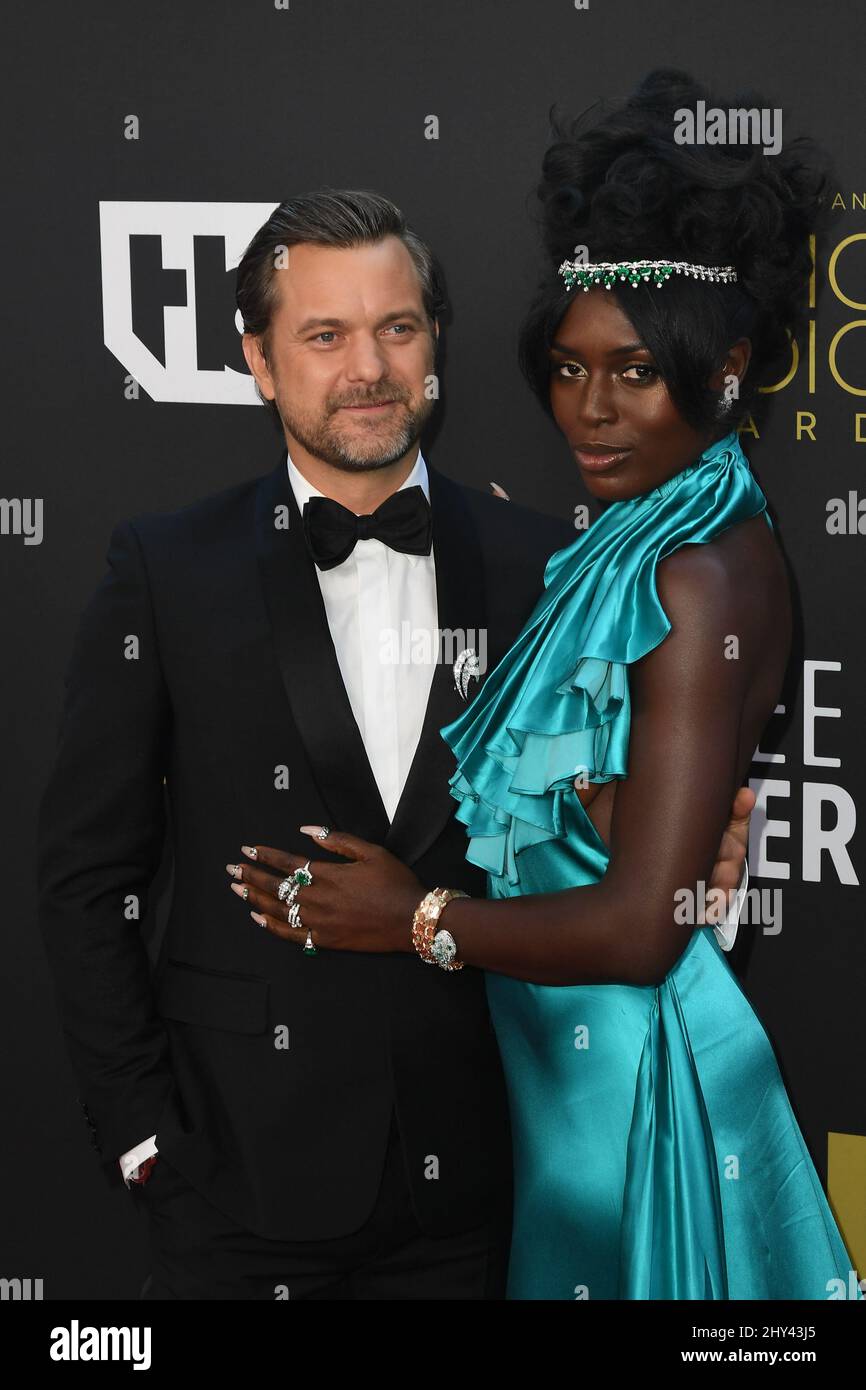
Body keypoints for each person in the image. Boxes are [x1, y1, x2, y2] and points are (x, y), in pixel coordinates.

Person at [37, 186, 749, 1301]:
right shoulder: (165, 569)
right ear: (260, 362)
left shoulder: (543, 568)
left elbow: (604, 860)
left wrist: (699, 875)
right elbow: (88, 876)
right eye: (324, 335)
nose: (366, 366)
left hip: (476, 1184)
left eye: (396, 328)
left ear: (434, 347)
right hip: (230, 1185)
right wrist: (142, 1136)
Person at [237, 74, 860, 1300]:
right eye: (567, 370)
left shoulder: (693, 572)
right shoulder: (629, 541)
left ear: (726, 365)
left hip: (636, 1096)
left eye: (631, 372)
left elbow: (636, 932)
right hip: (565, 1087)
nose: (588, 410)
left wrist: (411, 919)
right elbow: (625, 836)